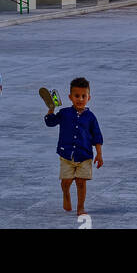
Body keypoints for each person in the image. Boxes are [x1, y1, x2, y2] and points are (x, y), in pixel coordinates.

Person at [42, 77, 103, 216]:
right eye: (77, 96)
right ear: (70, 97)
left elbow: (97, 137)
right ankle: (66, 194)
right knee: (66, 181)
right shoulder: (64, 113)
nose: (80, 99)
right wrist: (51, 109)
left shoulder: (91, 117)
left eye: (83, 96)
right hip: (66, 155)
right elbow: (50, 122)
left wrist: (99, 154)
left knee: (81, 183)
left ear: (89, 97)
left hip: (85, 155)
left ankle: (80, 207)